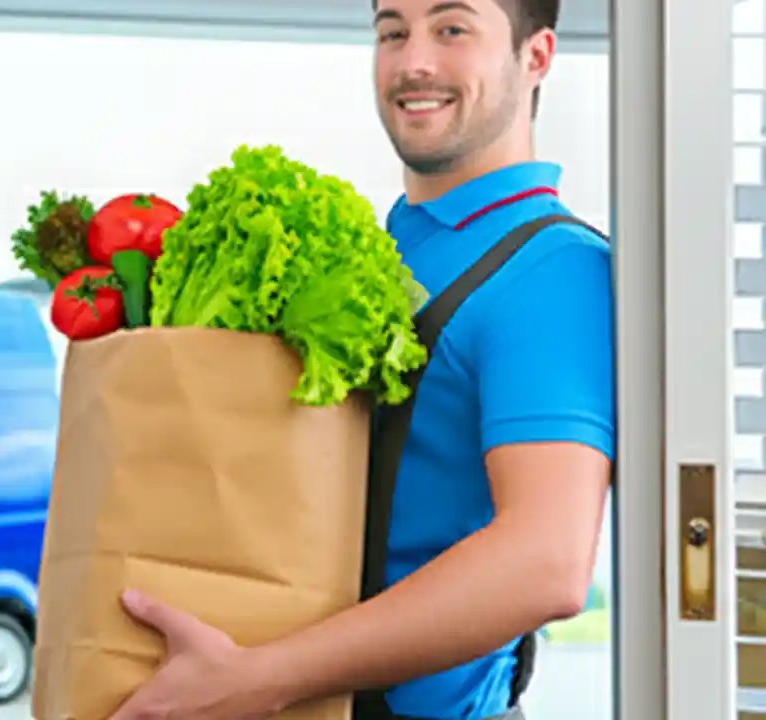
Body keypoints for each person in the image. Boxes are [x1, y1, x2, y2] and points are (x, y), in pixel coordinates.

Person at [107, 0, 615, 718]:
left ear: (535, 57)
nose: (414, 62)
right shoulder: (383, 250)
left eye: (452, 29)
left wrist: (255, 679)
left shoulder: (553, 272)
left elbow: (545, 563)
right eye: (392, 32)